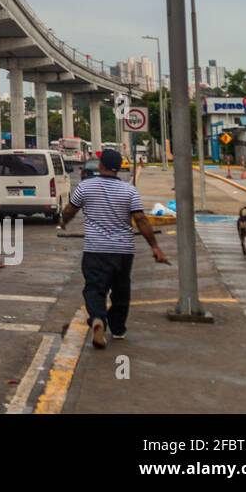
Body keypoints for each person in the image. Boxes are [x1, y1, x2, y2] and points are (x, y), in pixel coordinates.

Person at [59, 148, 168, 349]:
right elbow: (141, 219)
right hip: (123, 251)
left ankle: (98, 319)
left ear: (101, 166)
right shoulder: (129, 191)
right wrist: (155, 247)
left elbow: (70, 209)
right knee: (120, 291)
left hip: (95, 249)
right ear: (118, 168)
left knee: (94, 288)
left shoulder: (86, 187)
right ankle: (117, 329)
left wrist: (64, 222)